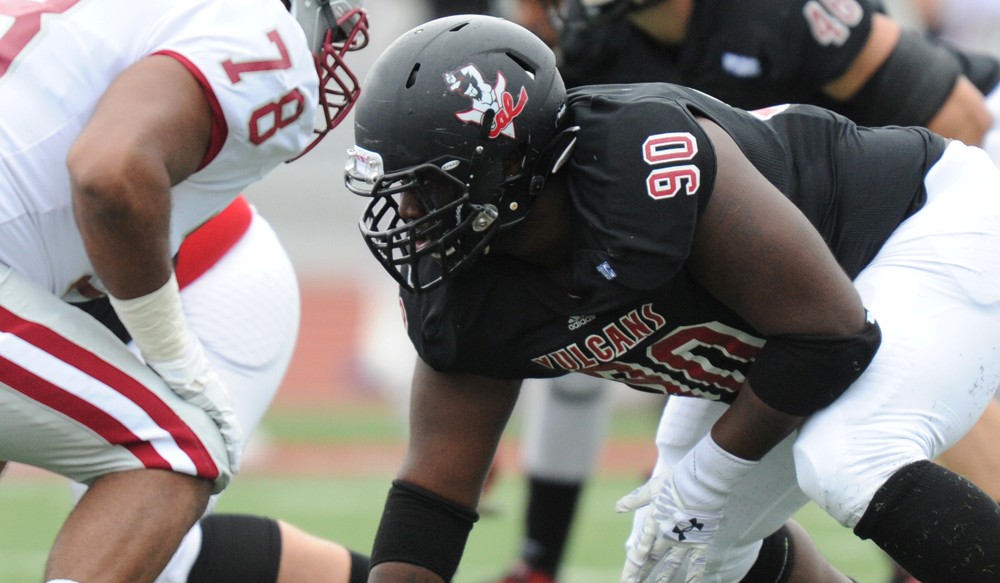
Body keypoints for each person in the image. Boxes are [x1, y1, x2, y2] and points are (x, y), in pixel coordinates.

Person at [345, 14, 1000, 583]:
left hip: (920, 230)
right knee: (682, 560)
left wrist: (709, 477)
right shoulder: (464, 279)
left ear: (509, 162)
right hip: (792, 326)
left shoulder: (640, 169)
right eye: (397, 192)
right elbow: (433, 491)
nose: (409, 216)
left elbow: (832, 334)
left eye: (430, 188)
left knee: (845, 458)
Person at [0, 0, 367, 581]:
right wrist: (174, 354)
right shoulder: (255, 31)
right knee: (177, 451)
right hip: (155, 276)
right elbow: (109, 171)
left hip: (162, 273)